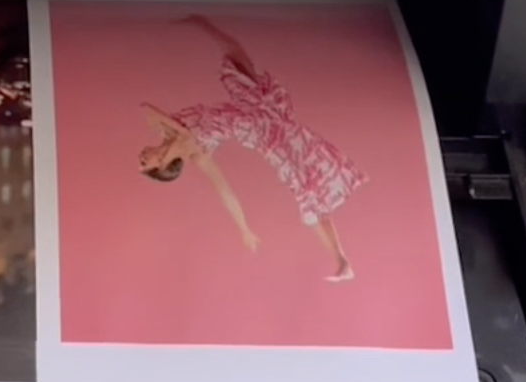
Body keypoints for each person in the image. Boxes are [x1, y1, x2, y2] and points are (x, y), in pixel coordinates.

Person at [137, 14, 365, 281]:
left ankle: (203, 23)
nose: (141, 157)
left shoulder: (166, 130)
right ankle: (342, 262)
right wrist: (244, 229)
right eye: (144, 163)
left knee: (235, 56)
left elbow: (147, 109)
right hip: (262, 132)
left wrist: (173, 140)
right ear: (161, 167)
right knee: (308, 193)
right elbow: (226, 193)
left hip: (250, 106)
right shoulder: (197, 154)